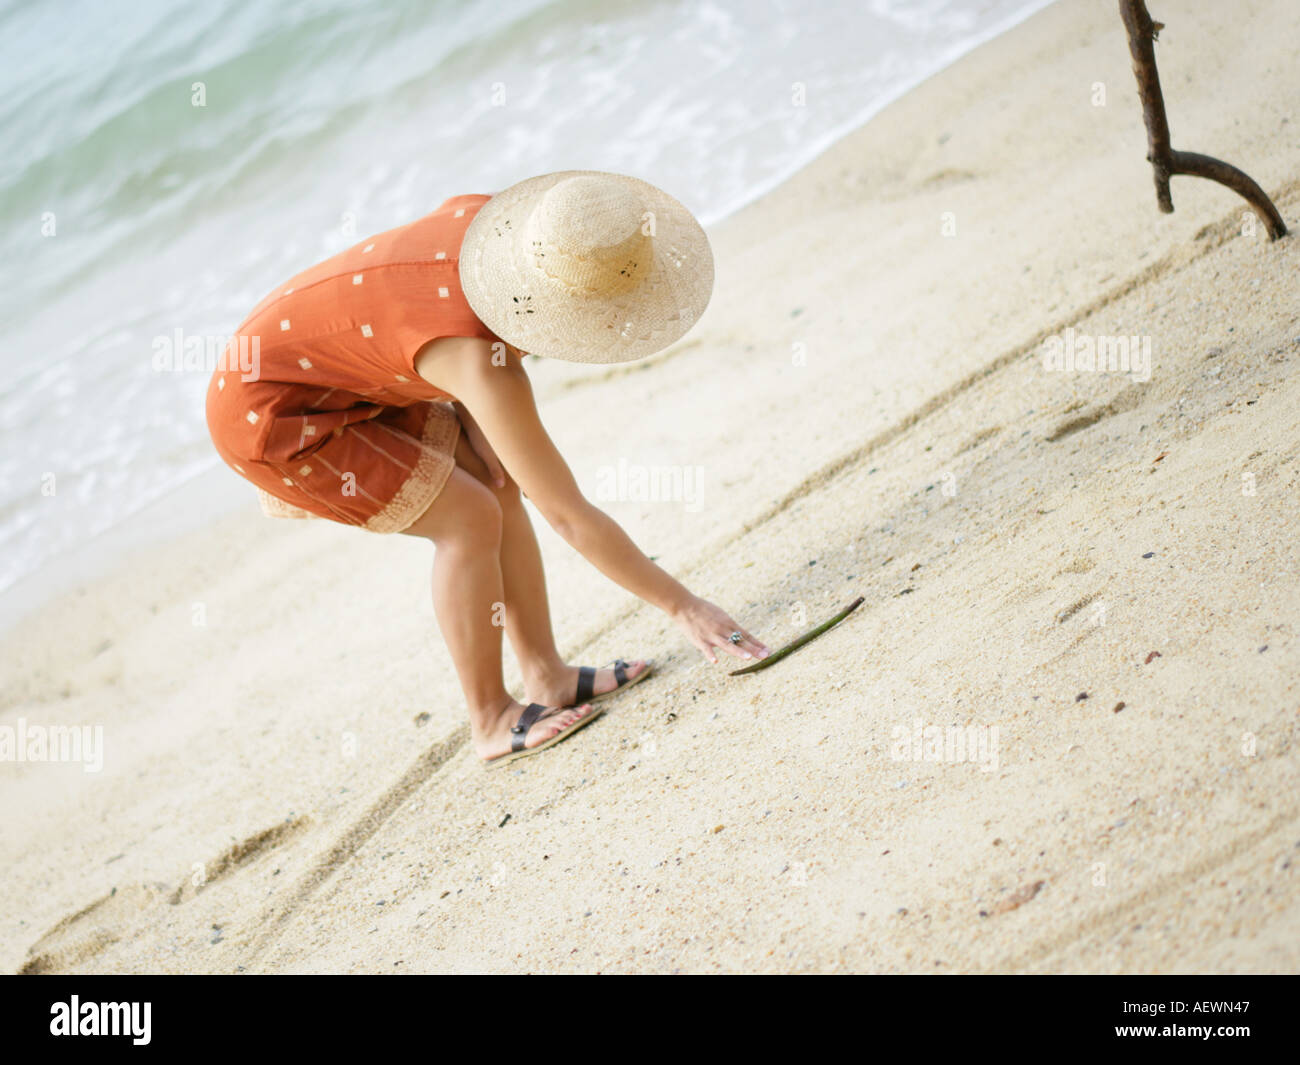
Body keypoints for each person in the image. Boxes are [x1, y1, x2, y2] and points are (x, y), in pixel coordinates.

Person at [206, 170, 769, 768]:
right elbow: (569, 515)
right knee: (468, 518)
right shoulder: (478, 360)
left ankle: (546, 675)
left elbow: (408, 310)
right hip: (271, 412)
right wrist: (684, 606)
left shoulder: (496, 229)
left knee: (496, 481)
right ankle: (490, 719)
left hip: (339, 367)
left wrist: (464, 403)